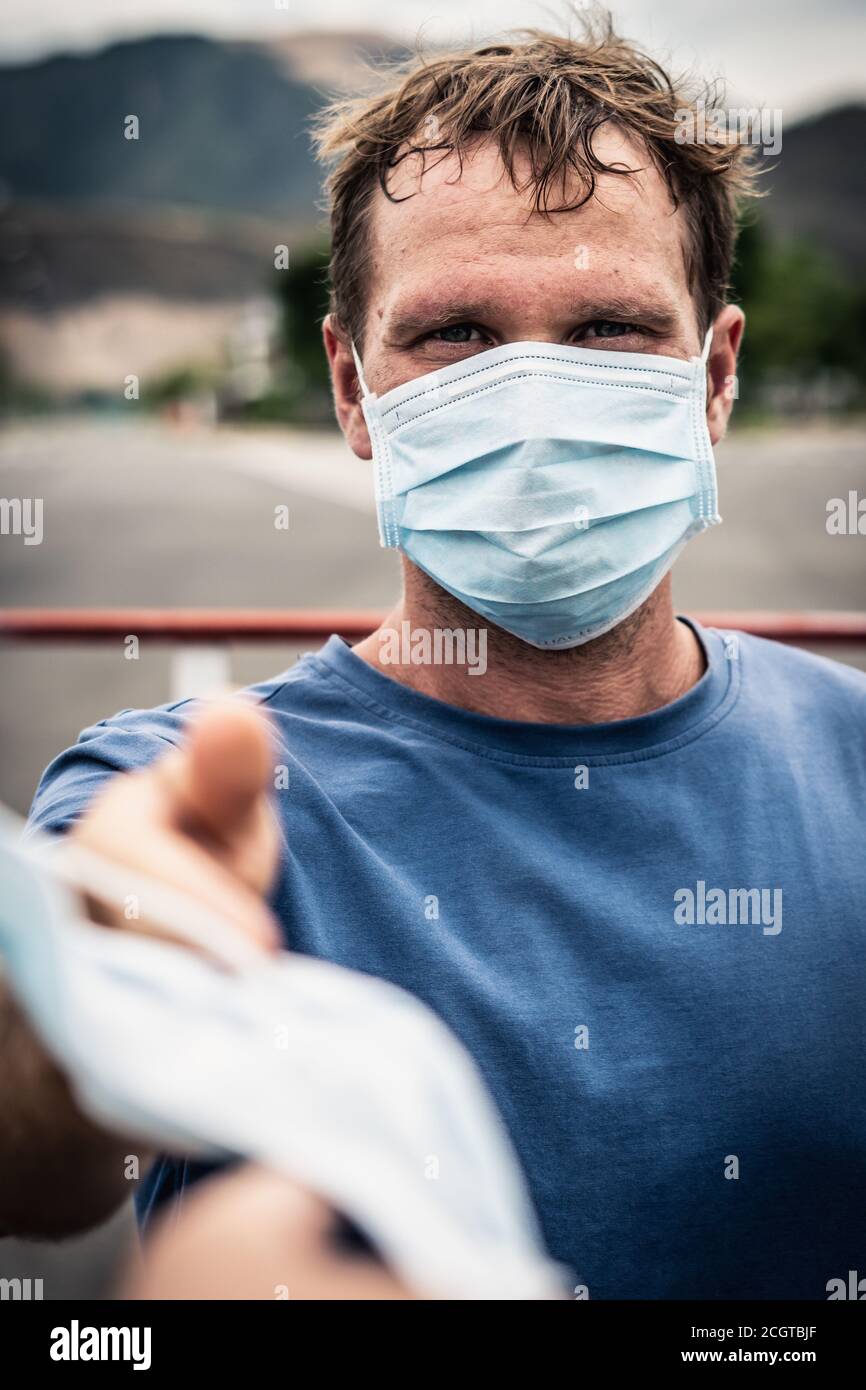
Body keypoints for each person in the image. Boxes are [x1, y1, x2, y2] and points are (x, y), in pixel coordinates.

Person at [3, 16, 865, 1299]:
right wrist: (75, 1017)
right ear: (352, 388)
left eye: (609, 330)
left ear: (715, 375)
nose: (529, 402)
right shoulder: (186, 804)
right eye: (455, 332)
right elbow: (41, 1161)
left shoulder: (852, 757)